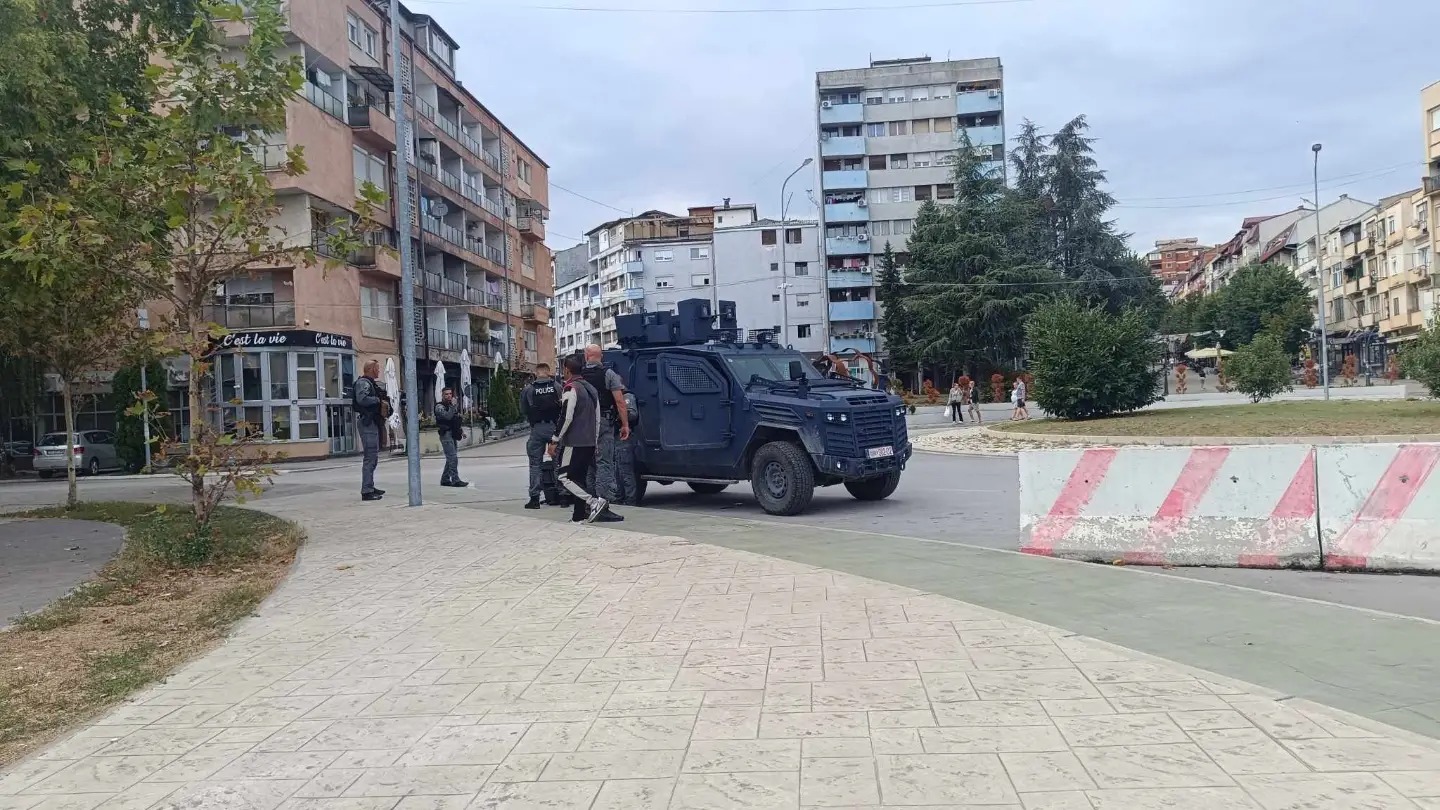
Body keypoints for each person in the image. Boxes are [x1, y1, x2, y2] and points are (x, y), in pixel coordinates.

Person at [549, 355, 622, 524]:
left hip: (573, 442)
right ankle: (578, 516)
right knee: (579, 478)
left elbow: (566, 417)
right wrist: (595, 440)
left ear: (567, 369)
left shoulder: (570, 388)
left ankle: (594, 502)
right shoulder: (591, 389)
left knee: (564, 477)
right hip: (589, 441)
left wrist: (554, 440)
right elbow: (597, 418)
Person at [580, 344, 630, 503]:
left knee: (588, 462)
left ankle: (590, 499)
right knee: (604, 462)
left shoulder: (578, 375)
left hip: (582, 424)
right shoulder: (609, 374)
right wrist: (625, 424)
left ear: (586, 356)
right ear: (601, 356)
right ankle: (603, 501)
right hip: (602, 421)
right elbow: (620, 402)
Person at [520, 362, 563, 509]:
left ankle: (534, 499)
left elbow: (523, 409)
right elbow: (563, 407)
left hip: (537, 429)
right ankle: (561, 496)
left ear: (536, 373)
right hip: (555, 428)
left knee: (535, 464)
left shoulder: (529, 389)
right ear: (548, 372)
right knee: (558, 463)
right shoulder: (557, 387)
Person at [351, 360, 390, 501]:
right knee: (370, 457)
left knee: (373, 456)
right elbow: (362, 399)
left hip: (372, 422)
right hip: (367, 422)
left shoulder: (370, 383)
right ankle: (367, 490)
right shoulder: (363, 383)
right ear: (371, 369)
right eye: (377, 368)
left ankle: (370, 486)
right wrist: (378, 400)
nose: (379, 371)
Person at [434, 387, 468, 488]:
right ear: (442, 395)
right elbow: (447, 416)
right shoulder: (439, 407)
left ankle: (445, 479)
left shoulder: (451, 406)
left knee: (451, 458)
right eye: (446, 394)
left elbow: (455, 419)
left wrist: (461, 431)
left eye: (450, 394)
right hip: (445, 434)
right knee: (452, 458)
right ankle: (455, 480)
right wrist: (453, 407)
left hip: (453, 433)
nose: (449, 396)